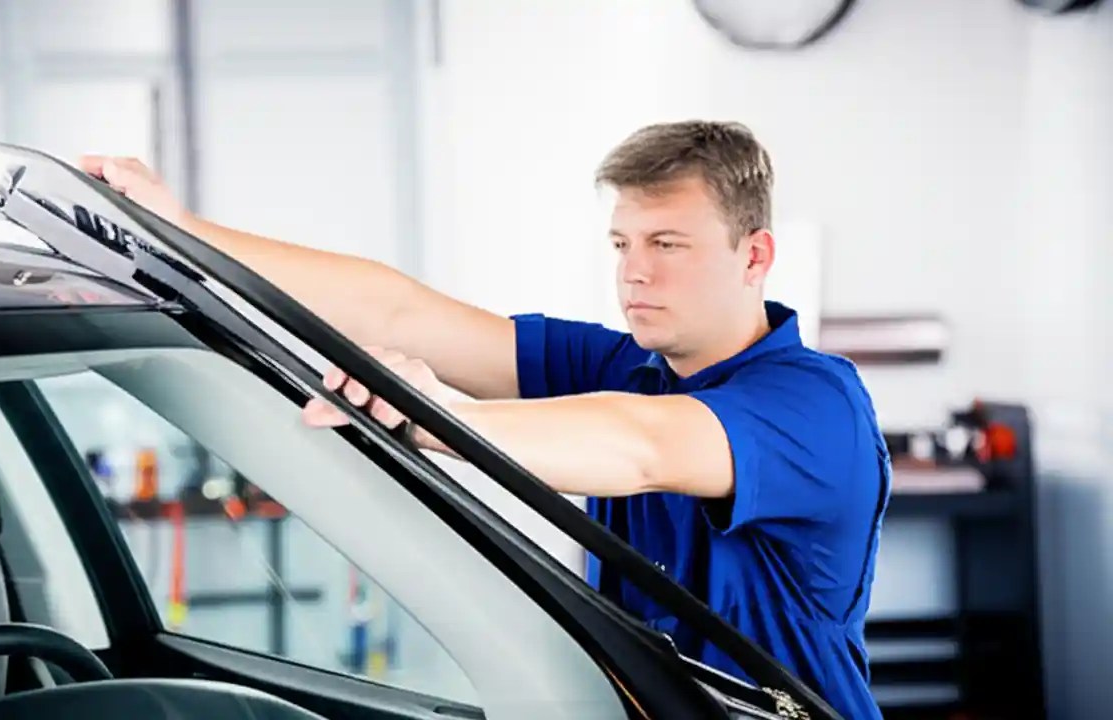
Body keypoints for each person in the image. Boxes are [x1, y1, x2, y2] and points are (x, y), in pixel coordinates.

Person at [80, 119, 889, 720]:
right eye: (621, 243)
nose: (634, 272)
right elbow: (398, 312)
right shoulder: (623, 367)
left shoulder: (816, 405)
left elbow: (645, 446)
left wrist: (435, 417)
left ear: (754, 256)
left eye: (668, 243)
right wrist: (182, 234)